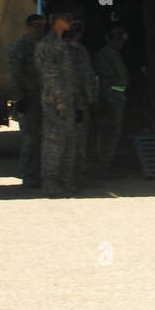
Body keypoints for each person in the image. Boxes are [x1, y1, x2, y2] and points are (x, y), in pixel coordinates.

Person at [35, 6, 81, 197]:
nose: (70, 20)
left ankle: (65, 182)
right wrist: (60, 103)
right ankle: (51, 183)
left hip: (67, 102)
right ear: (56, 21)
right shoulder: (50, 44)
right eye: (66, 17)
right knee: (54, 145)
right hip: (55, 104)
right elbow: (51, 78)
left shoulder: (62, 43)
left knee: (68, 144)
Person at [7, 13, 47, 187]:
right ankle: (29, 175)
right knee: (30, 139)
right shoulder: (20, 48)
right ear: (28, 27)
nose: (39, 29)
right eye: (36, 25)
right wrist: (19, 98)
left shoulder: (45, 46)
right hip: (29, 99)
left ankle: (43, 174)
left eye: (42, 25)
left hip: (45, 99)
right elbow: (13, 75)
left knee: (46, 138)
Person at [66, 20, 98, 189]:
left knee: (81, 143)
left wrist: (91, 99)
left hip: (81, 103)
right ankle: (68, 180)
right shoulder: (61, 51)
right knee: (69, 143)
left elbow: (88, 76)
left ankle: (79, 178)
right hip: (68, 103)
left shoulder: (81, 51)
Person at [92, 26, 130, 172]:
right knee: (106, 131)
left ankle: (108, 162)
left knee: (114, 131)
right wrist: (109, 97)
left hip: (117, 98)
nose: (120, 42)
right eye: (117, 39)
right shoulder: (104, 55)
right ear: (109, 39)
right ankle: (103, 163)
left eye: (121, 39)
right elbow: (104, 80)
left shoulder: (115, 54)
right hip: (109, 99)